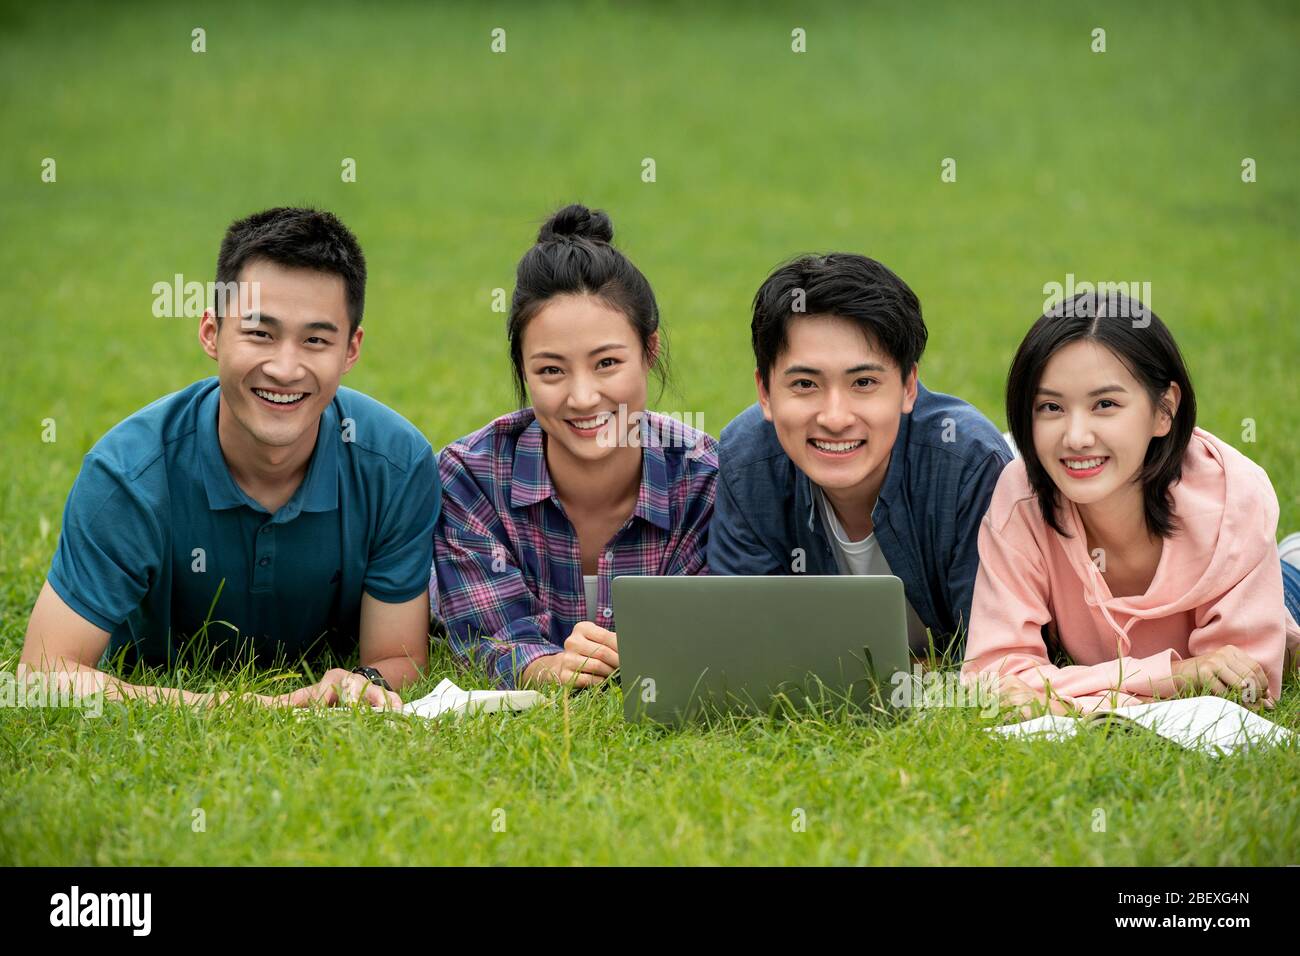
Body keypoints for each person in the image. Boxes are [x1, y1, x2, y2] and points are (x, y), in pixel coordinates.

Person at [19, 207, 440, 710]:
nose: (285, 368)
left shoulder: (396, 466)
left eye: (316, 340)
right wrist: (249, 708)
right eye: (260, 333)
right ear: (211, 333)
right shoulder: (127, 475)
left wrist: (360, 684)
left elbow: (399, 659)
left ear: (351, 350)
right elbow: (42, 673)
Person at [962, 291, 1300, 714]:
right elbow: (994, 675)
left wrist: (1063, 694)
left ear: (1164, 409)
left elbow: (1242, 688)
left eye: (1105, 404)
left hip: (1277, 593)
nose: (1076, 437)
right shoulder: (1021, 493)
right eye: (1051, 407)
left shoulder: (1234, 499)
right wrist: (1174, 675)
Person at [432, 204, 717, 690]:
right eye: (551, 370)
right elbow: (488, 638)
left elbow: (712, 632)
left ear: (650, 353)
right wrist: (549, 669)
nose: (583, 397)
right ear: (523, 371)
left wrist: (653, 653)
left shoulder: (705, 478)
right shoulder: (470, 476)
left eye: (607, 363)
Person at [709, 253, 1012, 654]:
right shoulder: (747, 462)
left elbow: (993, 658)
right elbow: (747, 645)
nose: (835, 418)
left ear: (908, 387)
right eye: (804, 384)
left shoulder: (968, 464)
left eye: (864, 382)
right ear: (765, 392)